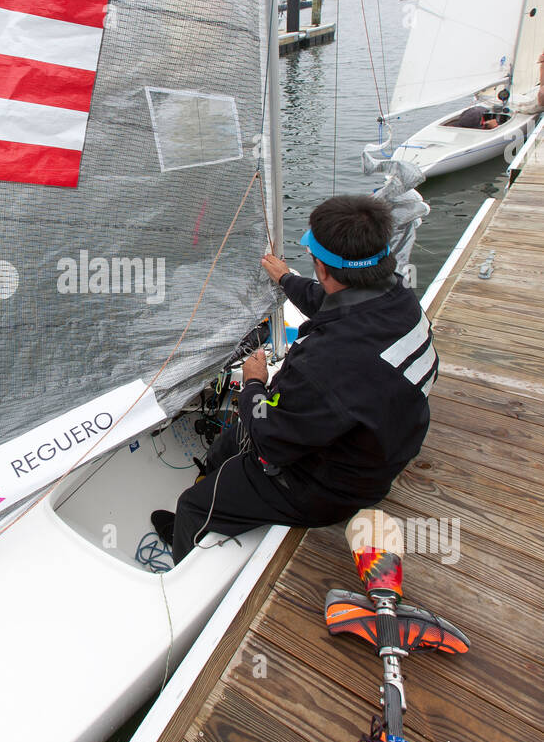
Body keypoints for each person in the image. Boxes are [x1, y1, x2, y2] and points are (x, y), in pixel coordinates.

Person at [151, 195, 437, 566]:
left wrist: (254, 383)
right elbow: (329, 303)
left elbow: (270, 440)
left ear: (321, 267)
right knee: (228, 440)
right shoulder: (397, 297)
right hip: (380, 444)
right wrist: (286, 279)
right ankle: (214, 480)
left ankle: (188, 548)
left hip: (333, 487)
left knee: (191, 506)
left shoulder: (324, 365)